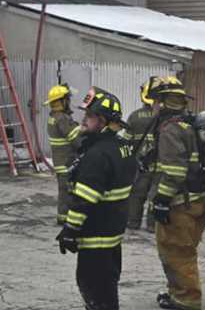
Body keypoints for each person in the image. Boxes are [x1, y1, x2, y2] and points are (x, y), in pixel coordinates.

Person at [57, 87, 137, 310]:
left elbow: (84, 199)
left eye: (89, 116)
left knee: (94, 291)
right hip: (113, 237)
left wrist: (70, 230)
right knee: (108, 289)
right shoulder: (123, 148)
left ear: (102, 121)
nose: (83, 121)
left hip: (96, 238)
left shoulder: (97, 155)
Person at [148, 76, 205, 310]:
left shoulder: (169, 129)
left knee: (177, 253)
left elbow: (174, 172)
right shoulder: (190, 123)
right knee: (184, 252)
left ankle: (186, 300)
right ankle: (177, 293)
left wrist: (162, 200)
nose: (152, 106)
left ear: (164, 102)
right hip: (199, 200)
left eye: (154, 101)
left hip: (180, 204)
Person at [124, 78, 160, 231]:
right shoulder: (162, 117)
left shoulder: (134, 116)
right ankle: (152, 225)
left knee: (137, 195)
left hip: (140, 165)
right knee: (155, 195)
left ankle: (133, 222)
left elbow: (126, 141)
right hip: (158, 165)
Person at [46, 83, 82, 225]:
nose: (69, 102)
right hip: (66, 163)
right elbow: (75, 139)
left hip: (60, 162)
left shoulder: (54, 117)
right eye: (67, 99)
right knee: (67, 193)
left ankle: (63, 217)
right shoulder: (62, 119)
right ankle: (65, 219)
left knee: (64, 192)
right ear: (61, 101)